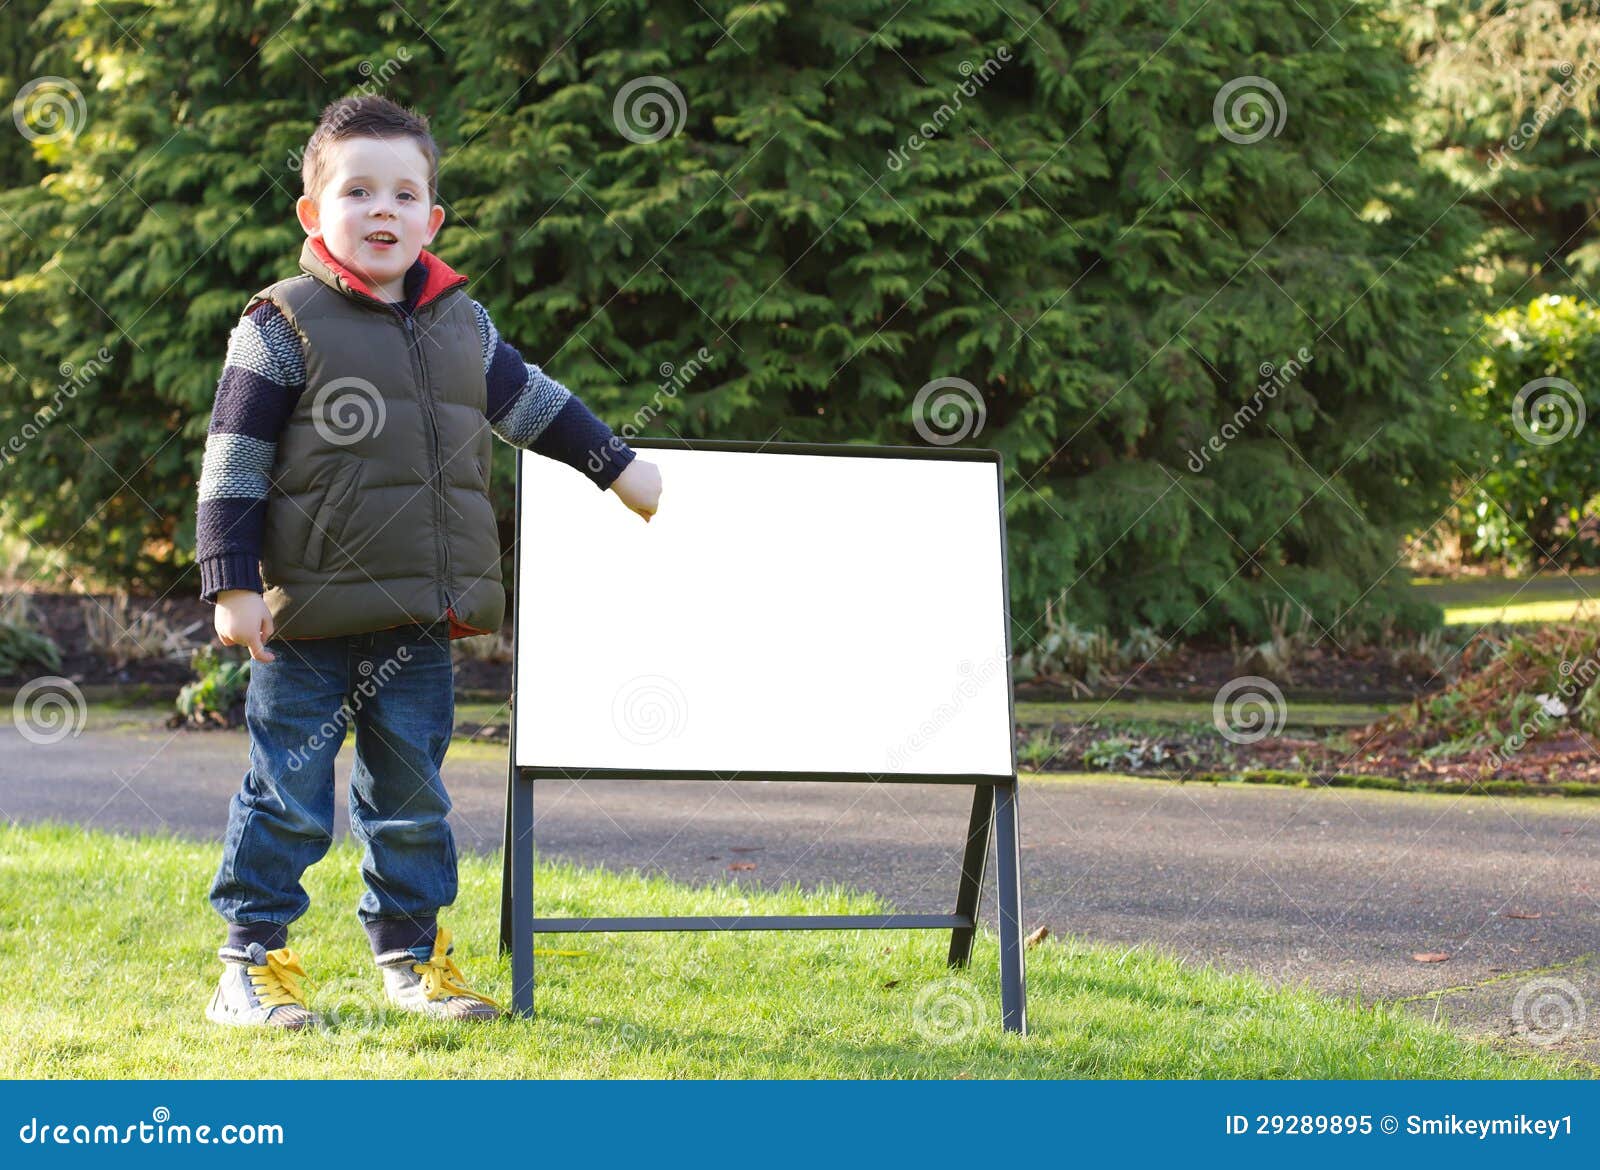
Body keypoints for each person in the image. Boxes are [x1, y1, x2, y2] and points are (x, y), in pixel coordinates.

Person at [193, 94, 662, 1027]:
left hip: (418, 621)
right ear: (313, 213)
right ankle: (250, 962)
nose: (383, 210)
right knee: (288, 796)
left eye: (404, 195)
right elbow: (233, 457)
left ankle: (411, 959)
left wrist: (616, 465)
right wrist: (232, 582)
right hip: (306, 622)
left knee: (412, 798)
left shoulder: (462, 325)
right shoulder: (281, 321)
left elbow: (534, 404)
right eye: (358, 191)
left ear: (432, 219)